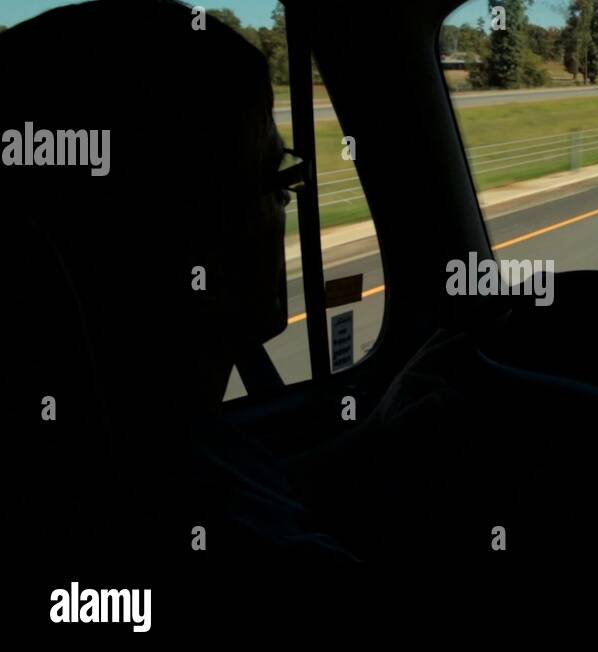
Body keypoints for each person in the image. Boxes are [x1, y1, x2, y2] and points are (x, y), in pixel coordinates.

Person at [4, 0, 352, 564]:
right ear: (187, 229)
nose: (287, 199)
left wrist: (381, 433)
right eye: (279, 179)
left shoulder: (127, 442)